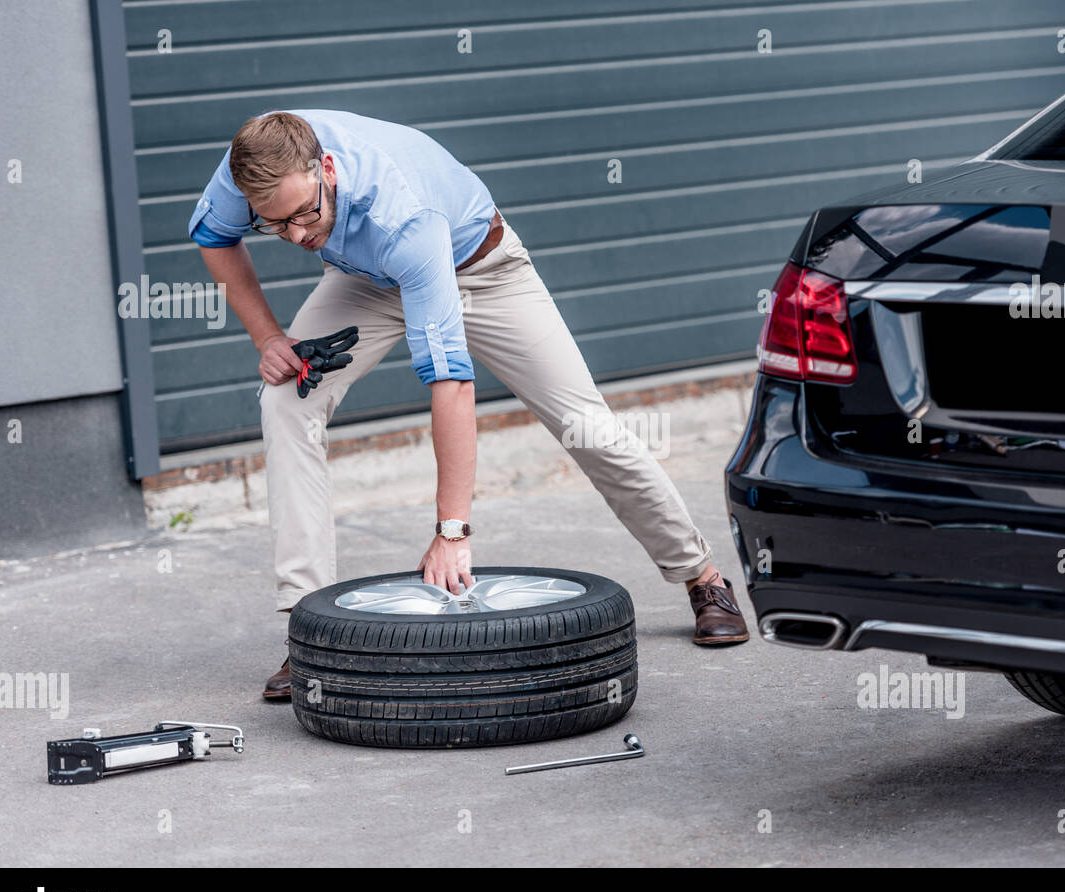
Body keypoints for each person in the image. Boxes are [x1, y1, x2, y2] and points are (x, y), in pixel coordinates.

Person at [187, 109, 749, 701]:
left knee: (586, 427)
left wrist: (452, 532)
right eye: (277, 225)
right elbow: (213, 237)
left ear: (327, 168)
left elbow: (451, 383)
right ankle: (311, 632)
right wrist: (269, 339)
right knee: (285, 400)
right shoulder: (249, 168)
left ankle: (702, 577)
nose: (299, 236)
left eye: (308, 213)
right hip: (367, 281)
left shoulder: (403, 212)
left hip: (481, 270)